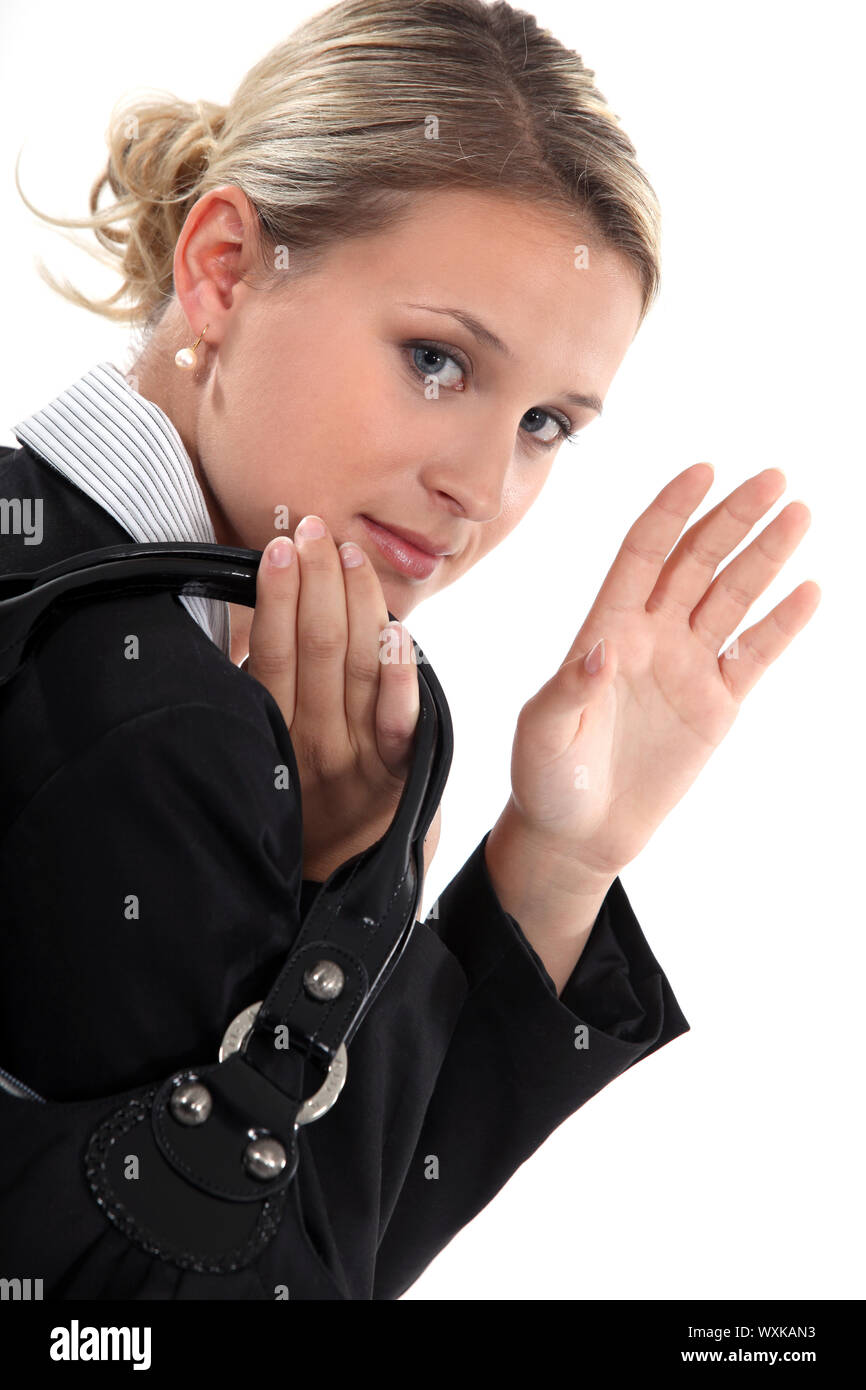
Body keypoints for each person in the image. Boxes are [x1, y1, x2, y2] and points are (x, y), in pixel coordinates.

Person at [0, 0, 819, 1300]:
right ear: (222, 267)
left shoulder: (66, 579)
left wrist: (553, 861)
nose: (483, 486)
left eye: (547, 421)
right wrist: (334, 890)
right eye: (436, 359)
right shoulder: (147, 717)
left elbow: (301, 1210)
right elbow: (252, 1282)